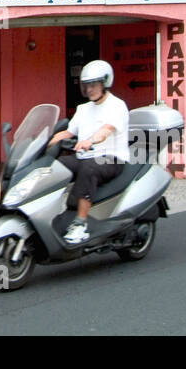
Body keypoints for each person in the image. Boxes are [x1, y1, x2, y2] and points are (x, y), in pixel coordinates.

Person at [48, 59, 130, 244]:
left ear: (105, 83)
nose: (90, 89)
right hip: (85, 156)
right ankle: (50, 215)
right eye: (86, 86)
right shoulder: (83, 108)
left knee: (88, 169)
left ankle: (80, 224)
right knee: (55, 166)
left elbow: (106, 130)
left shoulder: (117, 106)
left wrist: (89, 140)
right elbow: (69, 131)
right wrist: (44, 144)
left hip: (110, 159)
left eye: (94, 85)